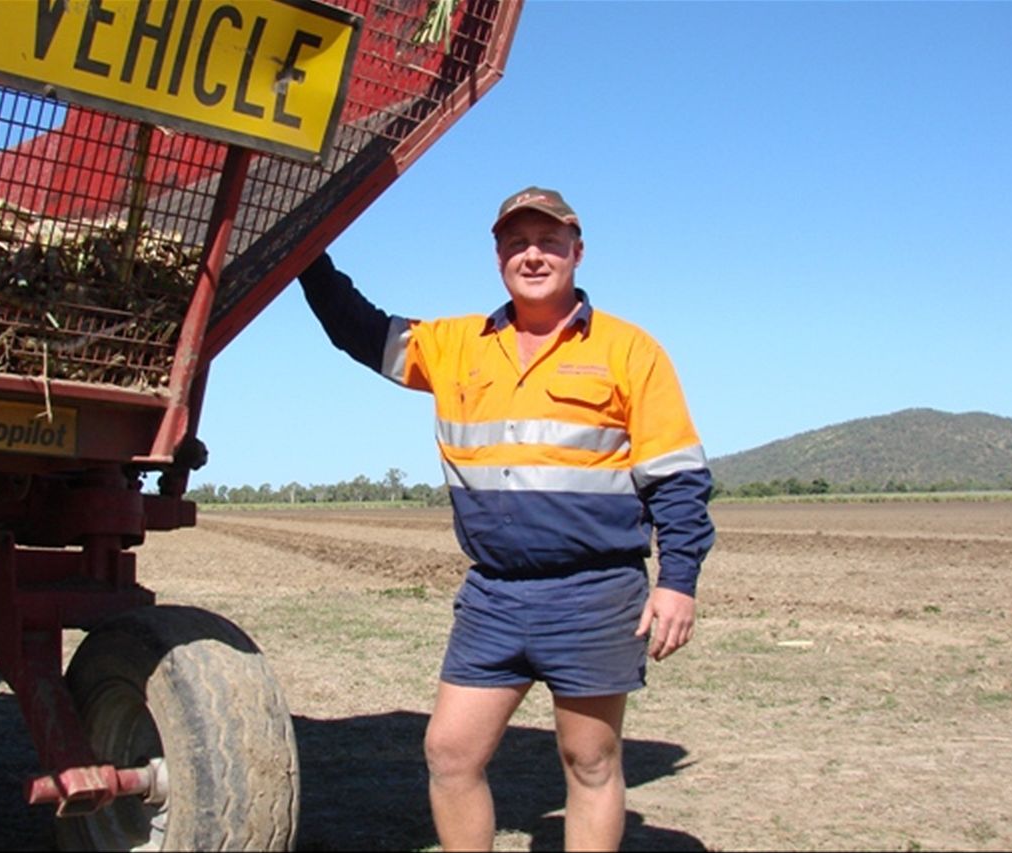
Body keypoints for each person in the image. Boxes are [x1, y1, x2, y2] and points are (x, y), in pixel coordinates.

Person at [297, 186, 715, 851]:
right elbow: (357, 328)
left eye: (549, 241)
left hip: (595, 591)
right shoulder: (456, 344)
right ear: (497, 255)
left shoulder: (630, 350)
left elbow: (679, 479)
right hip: (494, 593)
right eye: (517, 242)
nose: (533, 254)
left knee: (591, 761)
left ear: (577, 251)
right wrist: (303, 250)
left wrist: (678, 580)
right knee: (451, 753)